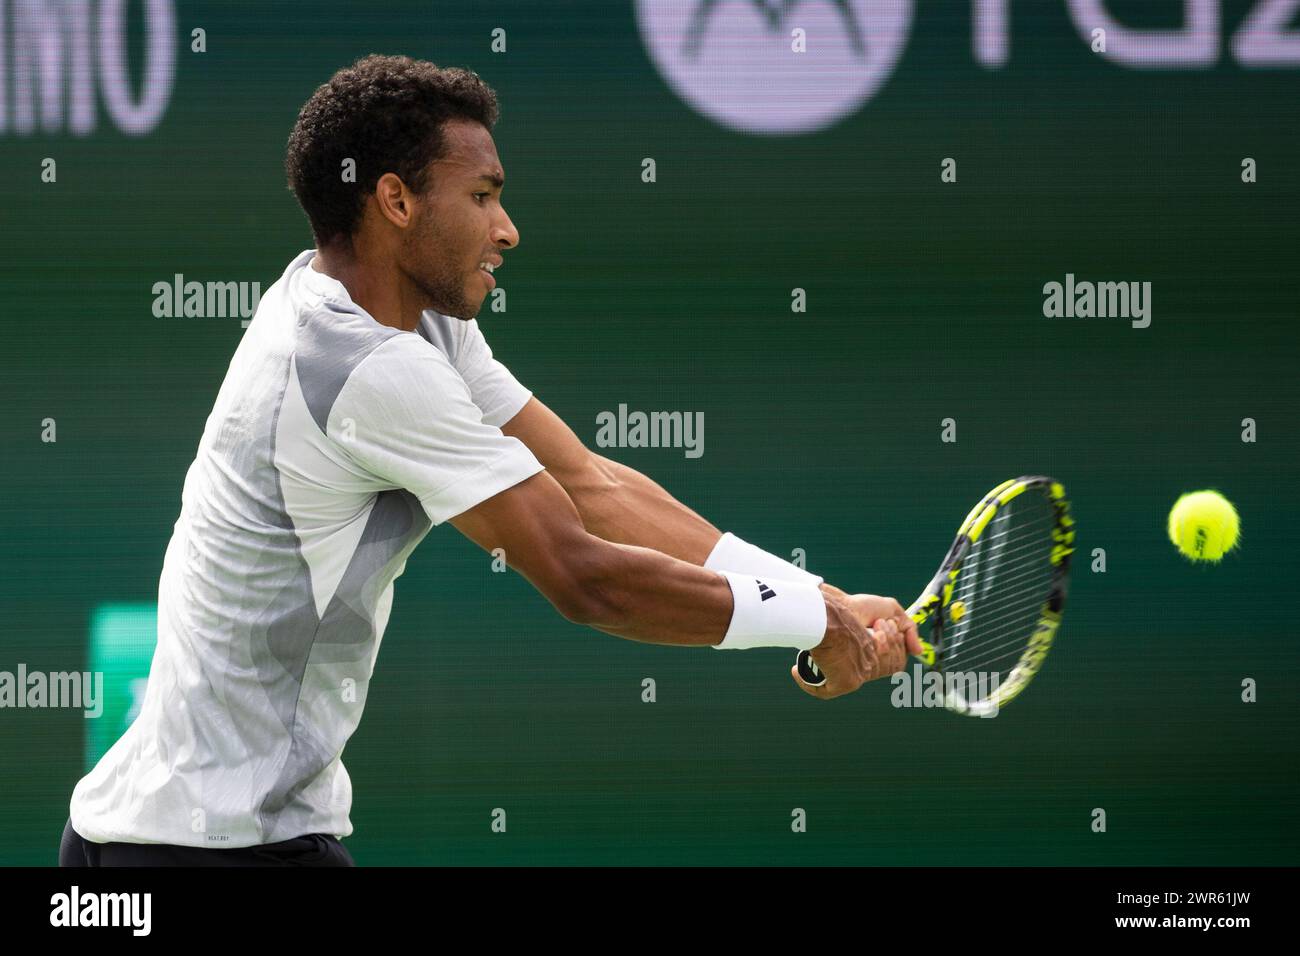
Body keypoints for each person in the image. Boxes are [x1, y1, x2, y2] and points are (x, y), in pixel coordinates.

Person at [60, 54, 920, 867]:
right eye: (482, 195)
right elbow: (588, 579)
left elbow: (593, 486)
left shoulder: (385, 311)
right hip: (215, 848)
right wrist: (812, 626)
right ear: (395, 200)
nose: (507, 228)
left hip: (137, 834)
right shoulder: (369, 365)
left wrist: (823, 601)